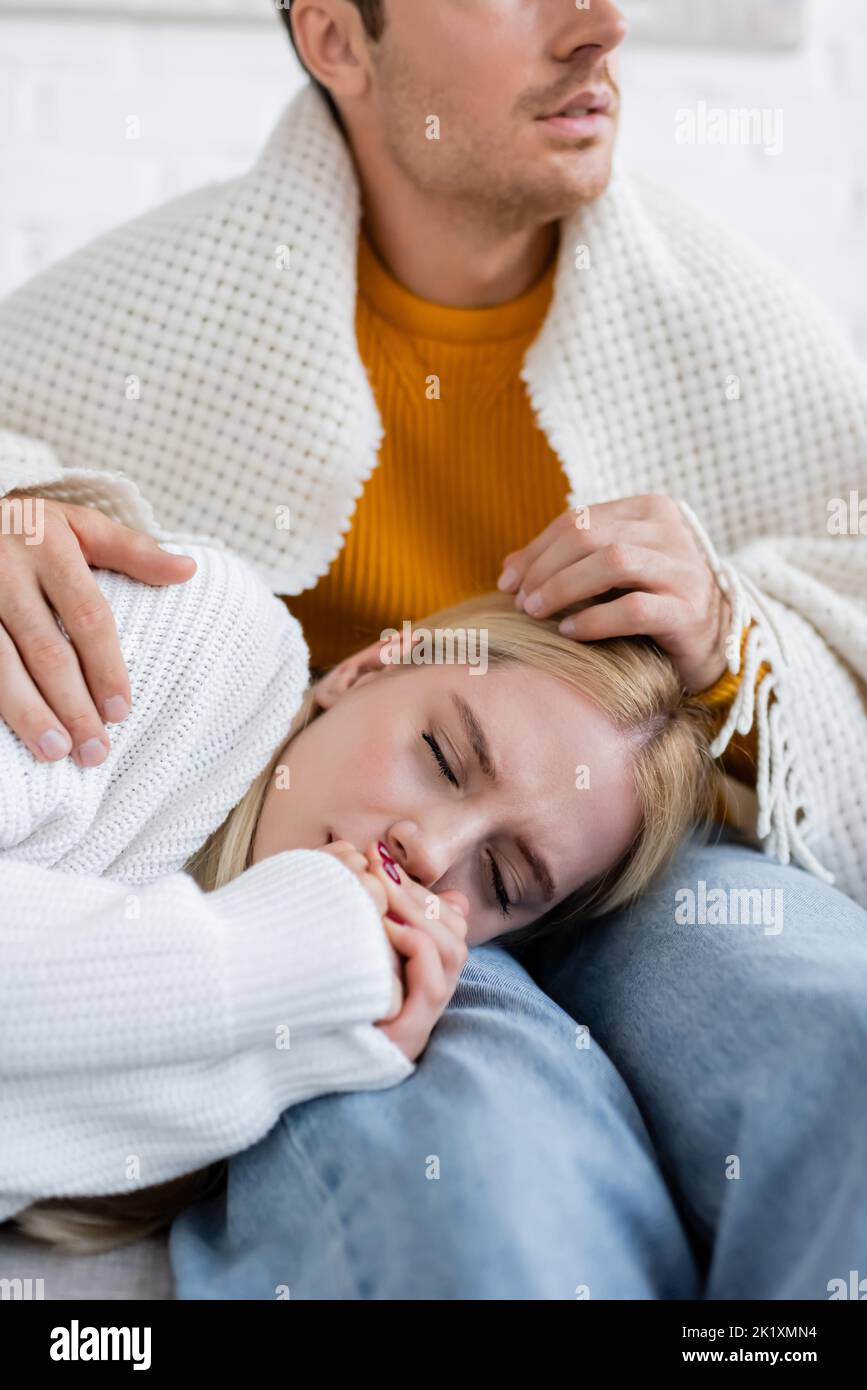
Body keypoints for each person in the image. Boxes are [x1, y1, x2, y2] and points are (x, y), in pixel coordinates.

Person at [0, 0, 865, 1297]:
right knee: (488, 1171)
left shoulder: (742, 337)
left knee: (827, 1026)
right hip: (333, 875)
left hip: (617, 860)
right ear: (341, 39)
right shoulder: (148, 320)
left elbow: (838, 617)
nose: (598, 26)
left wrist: (739, 644)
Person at [0, 547, 716, 1249]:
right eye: (441, 758)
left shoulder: (324, 1004)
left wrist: (300, 1058)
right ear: (365, 669)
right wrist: (287, 950)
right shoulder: (196, 632)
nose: (431, 853)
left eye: (502, 882)